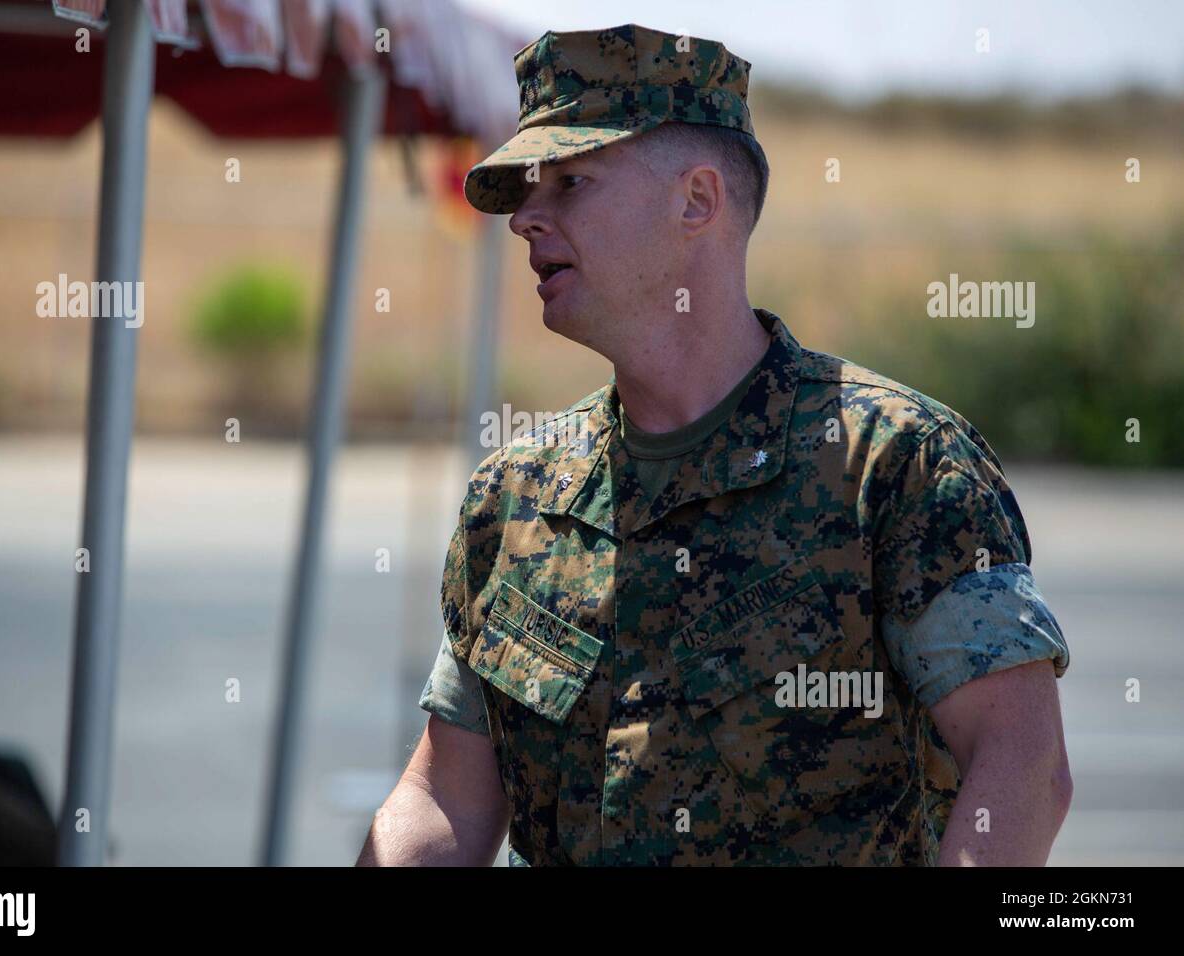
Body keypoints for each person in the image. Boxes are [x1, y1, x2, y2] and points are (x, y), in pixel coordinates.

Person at [356, 23, 1071, 867]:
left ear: (697, 201)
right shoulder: (514, 496)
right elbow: (446, 797)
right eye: (525, 192)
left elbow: (1022, 766)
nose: (525, 220)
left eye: (570, 182)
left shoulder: (894, 464)